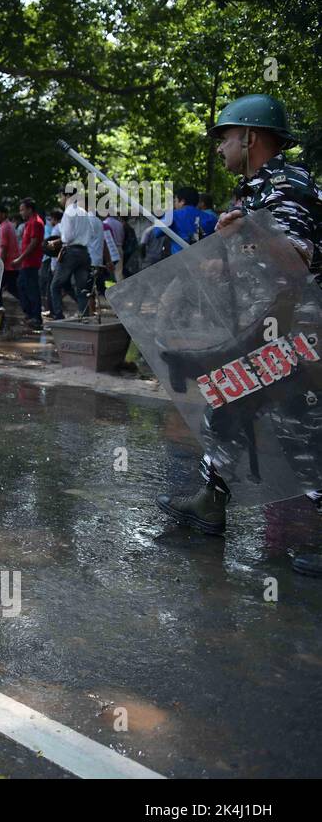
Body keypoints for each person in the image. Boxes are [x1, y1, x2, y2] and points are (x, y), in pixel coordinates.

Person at [155, 94, 322, 576]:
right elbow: (262, 263)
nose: (220, 148)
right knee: (226, 406)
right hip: (265, 327)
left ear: (250, 137)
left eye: (225, 137)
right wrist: (223, 264)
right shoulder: (253, 192)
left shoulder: (287, 187)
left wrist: (250, 232)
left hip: (298, 332)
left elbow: (296, 262)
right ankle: (211, 500)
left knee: (301, 433)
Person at [49, 185, 93, 319]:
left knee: (55, 286)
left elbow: (67, 237)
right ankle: (84, 316)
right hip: (84, 253)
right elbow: (90, 232)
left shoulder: (68, 212)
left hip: (71, 253)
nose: (60, 199)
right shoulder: (83, 212)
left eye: (60, 196)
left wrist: (57, 242)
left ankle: (58, 316)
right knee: (82, 289)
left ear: (66, 196)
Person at [15, 198, 44, 329]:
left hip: (31, 262)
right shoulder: (30, 222)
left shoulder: (36, 222)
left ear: (29, 209)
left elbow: (34, 243)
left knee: (32, 290)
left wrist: (20, 258)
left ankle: (35, 317)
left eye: (22, 209)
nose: (21, 212)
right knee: (22, 286)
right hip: (26, 262)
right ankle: (31, 315)